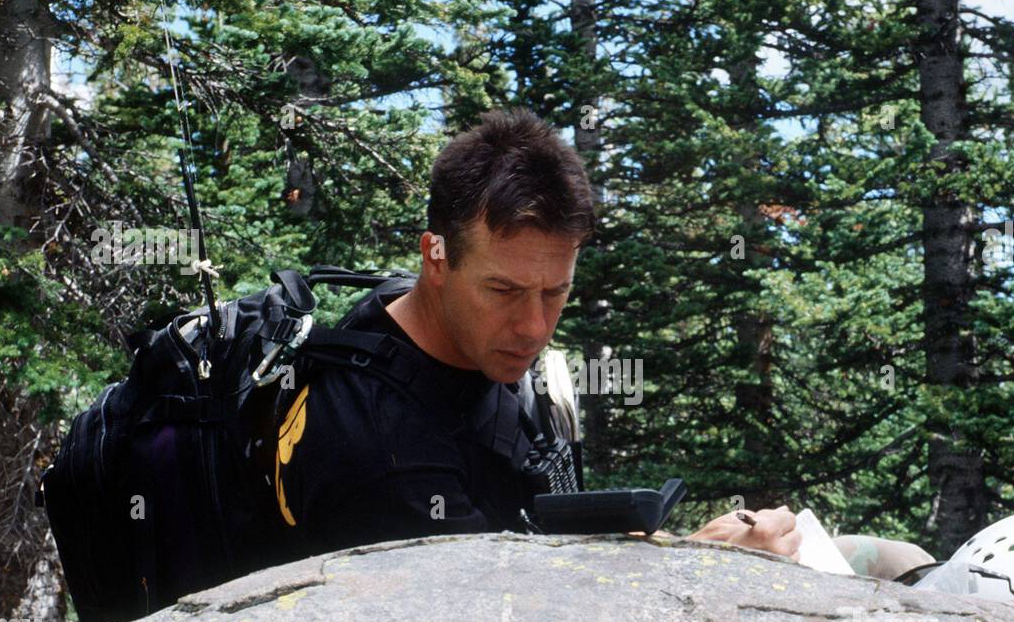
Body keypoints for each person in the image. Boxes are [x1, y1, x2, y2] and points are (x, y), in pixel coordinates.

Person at [272, 108, 803, 562]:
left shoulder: (462, 347)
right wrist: (700, 560)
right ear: (435, 258)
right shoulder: (378, 444)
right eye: (502, 290)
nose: (532, 328)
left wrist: (684, 541)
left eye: (554, 293)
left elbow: (531, 531)